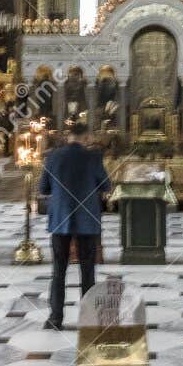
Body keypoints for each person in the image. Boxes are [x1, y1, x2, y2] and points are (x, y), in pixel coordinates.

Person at [38, 122, 110, 330]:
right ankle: (88, 318)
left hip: (60, 219)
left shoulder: (53, 157)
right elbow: (105, 185)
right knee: (88, 270)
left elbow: (43, 188)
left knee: (58, 271)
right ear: (86, 137)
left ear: (69, 136)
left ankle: (55, 318)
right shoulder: (93, 157)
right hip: (87, 220)